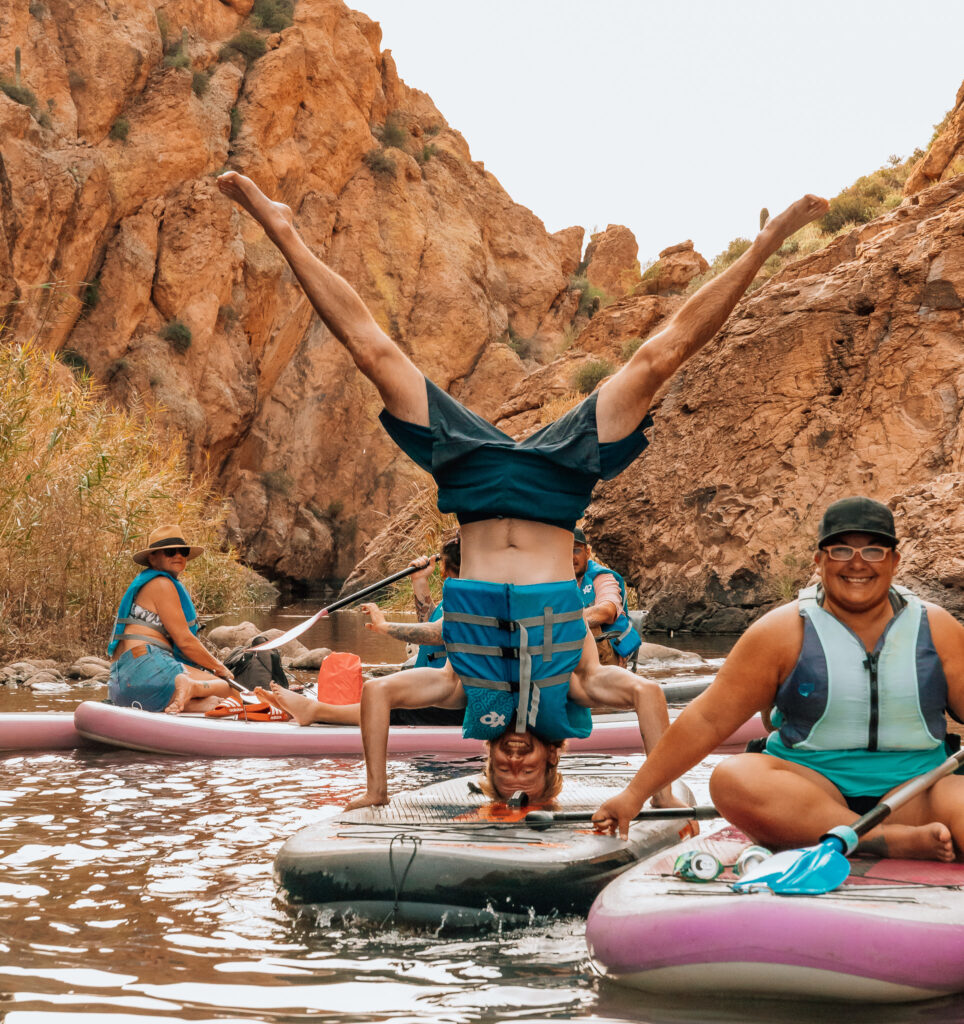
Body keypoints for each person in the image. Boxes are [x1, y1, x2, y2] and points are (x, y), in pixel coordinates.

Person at [216, 170, 828, 808]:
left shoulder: (460, 687)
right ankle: (766, 245)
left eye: (504, 777)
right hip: (556, 485)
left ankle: (279, 226)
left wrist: (376, 792)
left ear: (488, 762)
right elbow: (646, 694)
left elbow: (378, 694)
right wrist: (663, 794)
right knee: (657, 360)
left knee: (374, 354)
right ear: (551, 765)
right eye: (527, 779)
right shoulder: (576, 685)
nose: (515, 769)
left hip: (473, 483)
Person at [593, 497, 964, 862]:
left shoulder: (938, 629)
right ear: (819, 561)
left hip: (917, 792)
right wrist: (634, 794)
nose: (856, 563)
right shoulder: (780, 632)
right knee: (732, 778)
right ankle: (879, 840)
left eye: (873, 551)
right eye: (840, 551)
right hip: (808, 793)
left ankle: (861, 835)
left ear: (894, 561)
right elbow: (707, 720)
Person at [255, 534, 464, 726]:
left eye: (445, 567)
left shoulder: (472, 600)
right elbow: (429, 630)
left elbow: (438, 632)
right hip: (434, 689)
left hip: (452, 701)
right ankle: (301, 709)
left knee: (393, 705)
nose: (441, 571)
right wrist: (419, 581)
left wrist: (384, 626)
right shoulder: (457, 596)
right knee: (371, 686)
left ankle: (314, 711)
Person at [108, 524, 235, 713]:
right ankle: (193, 688)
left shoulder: (147, 583)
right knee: (230, 689)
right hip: (147, 671)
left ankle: (191, 704)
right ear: (152, 558)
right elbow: (184, 641)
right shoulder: (162, 584)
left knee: (213, 700)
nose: (178, 556)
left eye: (182, 551)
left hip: (121, 687)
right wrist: (221, 669)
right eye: (169, 551)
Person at [573, 526, 641, 667]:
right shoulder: (556, 579)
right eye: (564, 551)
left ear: (588, 552)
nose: (570, 557)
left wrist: (565, 621)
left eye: (576, 550)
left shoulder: (602, 577)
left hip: (608, 653)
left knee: (589, 627)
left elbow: (607, 612)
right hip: (575, 652)